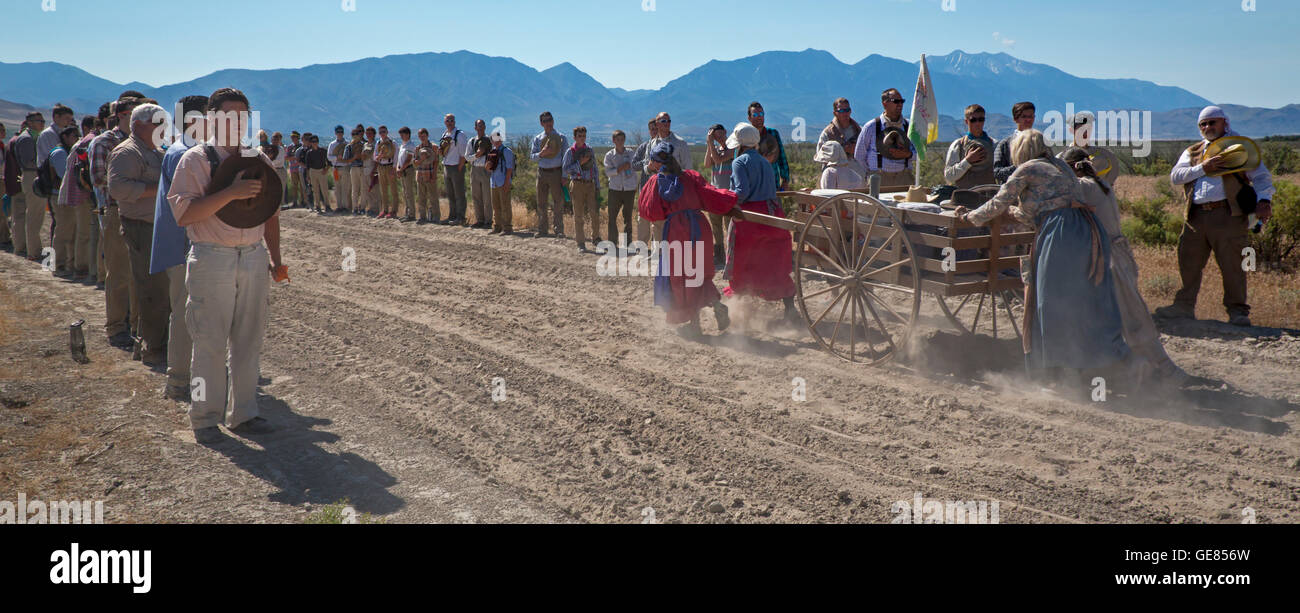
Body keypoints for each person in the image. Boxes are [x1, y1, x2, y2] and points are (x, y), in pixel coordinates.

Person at [954, 130, 1139, 386]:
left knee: (1050, 301)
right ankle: (1103, 362)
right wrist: (1018, 212)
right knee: (1083, 299)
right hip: (1086, 230)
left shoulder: (1028, 169)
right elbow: (1042, 208)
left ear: (1020, 150)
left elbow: (998, 202)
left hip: (1059, 233)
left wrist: (969, 217)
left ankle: (1055, 373)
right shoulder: (1061, 166)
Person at [166, 87, 284, 444]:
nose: (237, 122)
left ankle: (244, 414)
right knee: (209, 341)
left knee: (249, 339)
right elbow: (184, 215)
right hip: (212, 256)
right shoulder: (195, 160)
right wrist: (230, 193)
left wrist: (276, 260)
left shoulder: (257, 159)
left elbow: (270, 213)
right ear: (212, 118)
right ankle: (204, 418)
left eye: (242, 115)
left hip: (252, 256)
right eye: (229, 115)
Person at [1062, 147, 1185, 382]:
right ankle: (1150, 366)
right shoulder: (1102, 184)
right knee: (1130, 312)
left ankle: (1148, 368)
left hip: (1108, 258)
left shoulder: (1083, 187)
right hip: (1121, 254)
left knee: (1127, 316)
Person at [1155, 105, 1275, 327]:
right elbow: (1176, 176)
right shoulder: (1193, 152)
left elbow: (1261, 177)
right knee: (1188, 262)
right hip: (1195, 216)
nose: (1207, 127)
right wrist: (1203, 168)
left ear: (1224, 123)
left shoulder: (1240, 147)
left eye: (1212, 122)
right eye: (1203, 124)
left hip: (1229, 215)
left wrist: (1264, 201)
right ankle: (1183, 307)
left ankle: (1237, 311)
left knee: (1233, 264)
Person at [639, 140, 742, 336]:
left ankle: (694, 325)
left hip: (678, 231)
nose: (650, 164)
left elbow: (650, 211)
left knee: (683, 278)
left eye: (652, 160)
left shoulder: (656, 182)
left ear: (657, 162)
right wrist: (730, 200)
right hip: (699, 227)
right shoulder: (690, 176)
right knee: (698, 274)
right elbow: (710, 194)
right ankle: (717, 305)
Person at [151, 93, 209, 401]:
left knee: (193, 313)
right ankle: (178, 380)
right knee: (186, 314)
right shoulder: (182, 154)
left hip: (187, 245)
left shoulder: (185, 151)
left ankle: (192, 377)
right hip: (183, 247)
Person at [108, 102, 168, 367]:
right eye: (158, 123)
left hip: (156, 227)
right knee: (151, 289)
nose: (163, 128)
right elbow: (118, 189)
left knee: (158, 289)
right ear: (139, 125)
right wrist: (160, 188)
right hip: (141, 228)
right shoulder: (127, 152)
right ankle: (153, 348)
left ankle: (147, 342)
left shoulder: (154, 151)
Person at [725, 123, 799, 323]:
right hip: (773, 215)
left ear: (739, 144)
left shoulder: (739, 162)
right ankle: (790, 309)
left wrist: (725, 198)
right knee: (773, 262)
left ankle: (740, 312)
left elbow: (742, 192)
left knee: (742, 262)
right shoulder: (765, 162)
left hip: (750, 219)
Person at [91, 97, 140, 348]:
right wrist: (136, 185)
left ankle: (137, 325)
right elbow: (99, 178)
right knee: (119, 272)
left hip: (141, 211)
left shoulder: (145, 142)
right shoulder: (105, 142)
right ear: (122, 115)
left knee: (139, 273)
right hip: (116, 210)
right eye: (135, 113)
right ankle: (117, 326)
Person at [854, 88, 916, 188]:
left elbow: (920, 154)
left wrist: (908, 154)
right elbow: (859, 155)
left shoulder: (910, 126)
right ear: (885, 104)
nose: (900, 104)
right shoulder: (871, 126)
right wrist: (871, 173)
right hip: (879, 178)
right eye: (896, 101)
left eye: (902, 101)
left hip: (904, 178)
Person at [52, 123, 90, 278]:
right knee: (63, 231)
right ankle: (58, 264)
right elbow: (63, 174)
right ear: (65, 136)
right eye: (74, 135)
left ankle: (68, 264)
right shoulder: (60, 152)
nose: (76, 137)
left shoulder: (70, 150)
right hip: (64, 196)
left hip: (70, 196)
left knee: (72, 232)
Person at [563, 126, 600, 252]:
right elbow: (565, 169)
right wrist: (580, 163)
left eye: (584, 136)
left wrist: (597, 185)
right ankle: (580, 243)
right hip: (577, 184)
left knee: (594, 213)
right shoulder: (570, 152)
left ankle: (596, 238)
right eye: (579, 136)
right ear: (574, 137)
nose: (582, 138)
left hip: (590, 184)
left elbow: (595, 169)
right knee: (578, 215)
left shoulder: (590, 150)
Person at [13, 112, 45, 259]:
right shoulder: (27, 139)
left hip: (31, 176)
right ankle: (34, 250)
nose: (42, 123)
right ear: (30, 122)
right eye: (40, 121)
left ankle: (28, 247)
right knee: (34, 215)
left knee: (33, 214)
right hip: (32, 175)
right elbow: (29, 162)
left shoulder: (32, 137)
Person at [530, 111, 567, 237]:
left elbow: (566, 159)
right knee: (541, 202)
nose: (548, 123)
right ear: (541, 123)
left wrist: (564, 175)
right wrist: (542, 153)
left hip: (557, 172)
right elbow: (532, 157)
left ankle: (559, 230)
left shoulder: (562, 137)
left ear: (553, 121)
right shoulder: (537, 139)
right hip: (542, 173)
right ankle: (542, 229)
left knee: (558, 202)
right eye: (545, 121)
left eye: (550, 120)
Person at [1060, 111, 1123, 183]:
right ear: (1071, 130)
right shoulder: (1060, 159)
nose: (1086, 133)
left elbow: (1110, 182)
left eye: (1089, 129)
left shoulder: (1105, 156)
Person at [943, 104, 997, 188]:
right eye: (973, 120)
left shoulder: (994, 144)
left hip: (989, 194)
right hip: (964, 195)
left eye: (981, 119)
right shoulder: (958, 145)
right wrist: (967, 161)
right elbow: (949, 177)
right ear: (966, 121)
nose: (977, 123)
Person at [702, 123, 733, 263]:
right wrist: (710, 145)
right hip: (716, 193)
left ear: (725, 131)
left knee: (729, 225)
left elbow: (718, 160)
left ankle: (731, 254)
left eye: (720, 134)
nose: (718, 137)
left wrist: (711, 143)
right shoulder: (715, 149)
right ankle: (719, 253)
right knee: (715, 224)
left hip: (728, 192)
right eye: (715, 136)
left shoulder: (732, 147)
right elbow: (707, 164)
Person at [604, 129, 638, 245]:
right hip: (615, 189)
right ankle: (612, 243)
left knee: (628, 218)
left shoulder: (631, 153)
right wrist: (620, 169)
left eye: (622, 139)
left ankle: (627, 243)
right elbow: (608, 172)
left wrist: (635, 185)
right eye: (618, 139)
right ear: (613, 140)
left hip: (629, 189)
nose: (620, 142)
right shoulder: (609, 155)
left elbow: (635, 168)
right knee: (612, 217)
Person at [746, 102, 789, 191]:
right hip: (752, 185)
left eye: (761, 114)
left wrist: (785, 180)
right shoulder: (745, 135)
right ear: (749, 118)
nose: (759, 117)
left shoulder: (773, 133)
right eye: (755, 115)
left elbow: (781, 157)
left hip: (772, 182)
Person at [818, 97, 864, 175]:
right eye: (841, 111)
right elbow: (821, 155)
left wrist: (857, 150)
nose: (845, 113)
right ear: (835, 113)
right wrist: (843, 150)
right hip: (835, 176)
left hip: (858, 175)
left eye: (847, 110)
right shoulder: (828, 133)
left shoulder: (859, 130)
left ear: (850, 111)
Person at [993, 101, 1035, 184]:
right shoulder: (1004, 144)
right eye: (1024, 117)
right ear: (1015, 119)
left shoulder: (1040, 143)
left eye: (1031, 116)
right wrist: (1019, 167)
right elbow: (997, 172)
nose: (1028, 120)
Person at [633, 118, 659, 244]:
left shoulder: (664, 147)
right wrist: (646, 162)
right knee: (643, 218)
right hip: (645, 187)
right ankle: (642, 246)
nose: (654, 131)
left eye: (656, 128)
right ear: (649, 131)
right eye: (651, 129)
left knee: (658, 219)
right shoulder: (643, 147)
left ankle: (656, 247)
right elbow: (633, 165)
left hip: (659, 189)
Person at [440, 114, 469, 225]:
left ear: (455, 122)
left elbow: (463, 154)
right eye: (448, 120)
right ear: (445, 122)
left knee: (459, 194)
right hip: (447, 166)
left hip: (456, 166)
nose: (450, 122)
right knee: (450, 194)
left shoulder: (460, 135)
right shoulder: (445, 134)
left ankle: (460, 217)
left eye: (451, 120)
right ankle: (452, 216)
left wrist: (460, 167)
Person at [466, 119, 493, 228]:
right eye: (478, 126)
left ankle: (488, 221)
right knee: (476, 196)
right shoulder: (472, 141)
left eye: (482, 126)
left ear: (485, 127)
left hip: (486, 170)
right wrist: (476, 155)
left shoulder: (490, 140)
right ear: (475, 128)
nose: (480, 128)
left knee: (487, 197)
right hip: (474, 169)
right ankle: (480, 220)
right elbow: (467, 157)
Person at [488, 132, 515, 235]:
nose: (496, 141)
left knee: (505, 206)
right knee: (496, 206)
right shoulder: (492, 152)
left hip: (503, 182)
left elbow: (509, 168)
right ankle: (497, 226)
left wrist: (507, 182)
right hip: (494, 182)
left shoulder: (507, 151)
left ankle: (507, 228)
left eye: (497, 138)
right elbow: (489, 168)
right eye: (493, 139)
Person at [413, 128, 441, 223]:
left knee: (433, 197)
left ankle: (436, 216)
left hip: (430, 173)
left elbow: (436, 162)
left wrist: (434, 175)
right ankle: (422, 216)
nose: (422, 138)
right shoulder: (417, 148)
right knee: (421, 197)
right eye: (420, 136)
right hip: (420, 174)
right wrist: (421, 160)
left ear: (427, 135)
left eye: (423, 136)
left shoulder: (434, 147)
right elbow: (415, 162)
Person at [373, 125, 398, 218]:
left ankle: (394, 211)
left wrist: (394, 168)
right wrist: (379, 156)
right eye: (380, 132)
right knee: (383, 190)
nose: (382, 134)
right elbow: (374, 157)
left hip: (390, 166)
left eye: (383, 132)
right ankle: (385, 210)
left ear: (387, 132)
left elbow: (396, 156)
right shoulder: (378, 143)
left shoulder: (393, 142)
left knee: (393, 189)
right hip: (381, 166)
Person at [394, 126, 418, 222]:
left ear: (408, 134)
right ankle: (407, 213)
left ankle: (411, 214)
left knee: (409, 193)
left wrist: (401, 169)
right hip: (402, 170)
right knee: (405, 193)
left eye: (402, 134)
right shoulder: (403, 145)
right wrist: (398, 168)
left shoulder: (410, 145)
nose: (401, 136)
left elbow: (408, 159)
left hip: (407, 170)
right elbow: (399, 159)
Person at [303, 134, 331, 214]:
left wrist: (326, 169)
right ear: (311, 143)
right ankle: (318, 206)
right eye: (313, 141)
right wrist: (308, 176)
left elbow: (329, 162)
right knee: (315, 190)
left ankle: (327, 206)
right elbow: (308, 166)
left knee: (324, 189)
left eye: (315, 141)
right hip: (313, 171)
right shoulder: (309, 153)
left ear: (318, 142)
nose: (314, 143)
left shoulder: (323, 151)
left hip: (322, 171)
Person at [327, 125, 352, 214]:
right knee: (337, 188)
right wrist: (336, 158)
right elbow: (329, 157)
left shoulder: (348, 144)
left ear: (343, 133)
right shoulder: (332, 144)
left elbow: (350, 156)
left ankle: (345, 207)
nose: (339, 133)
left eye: (341, 132)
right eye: (338, 132)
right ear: (335, 133)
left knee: (345, 187)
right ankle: (339, 206)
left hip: (345, 167)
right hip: (336, 168)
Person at [344, 126, 366, 214]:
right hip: (353, 168)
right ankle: (355, 208)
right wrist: (354, 158)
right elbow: (346, 160)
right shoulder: (349, 146)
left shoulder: (364, 145)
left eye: (357, 134)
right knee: (355, 189)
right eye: (353, 134)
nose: (355, 136)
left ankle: (363, 208)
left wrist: (361, 156)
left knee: (363, 189)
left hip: (362, 167)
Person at [264, 131, 288, 207]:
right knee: (271, 187)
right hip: (271, 170)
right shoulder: (268, 148)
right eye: (274, 138)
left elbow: (279, 160)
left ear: (279, 140)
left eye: (277, 139)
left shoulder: (281, 149)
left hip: (280, 170)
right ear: (271, 139)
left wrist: (269, 162)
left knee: (281, 187)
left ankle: (281, 203)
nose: (275, 140)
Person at [360, 126, 378, 215]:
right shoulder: (365, 145)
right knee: (365, 190)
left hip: (372, 168)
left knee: (373, 190)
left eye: (370, 133)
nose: (368, 135)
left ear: (374, 134)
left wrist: (374, 170)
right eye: (367, 133)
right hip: (365, 168)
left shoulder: (376, 144)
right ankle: (368, 207)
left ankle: (375, 208)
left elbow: (376, 159)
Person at [285, 131, 303, 207]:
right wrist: (294, 158)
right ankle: (295, 201)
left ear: (298, 138)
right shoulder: (290, 147)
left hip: (301, 168)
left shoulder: (302, 146)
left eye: (294, 137)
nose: (293, 139)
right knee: (294, 186)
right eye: (292, 137)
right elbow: (286, 157)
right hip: (293, 169)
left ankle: (303, 201)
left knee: (302, 185)